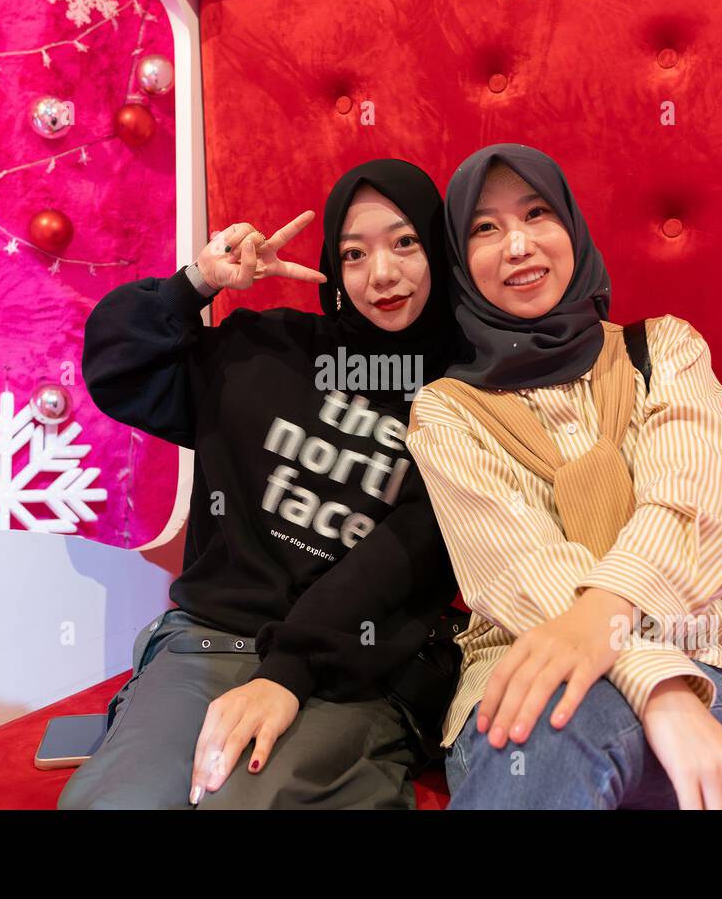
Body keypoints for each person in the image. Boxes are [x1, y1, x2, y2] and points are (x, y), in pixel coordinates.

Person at [58, 159, 462, 809]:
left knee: (248, 799)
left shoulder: (461, 395)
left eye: (405, 243)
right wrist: (196, 283)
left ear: (439, 251)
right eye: (354, 254)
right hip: (211, 642)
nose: (381, 274)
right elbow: (117, 367)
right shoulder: (261, 352)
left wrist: (290, 671)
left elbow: (417, 558)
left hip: (358, 663)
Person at [405, 143, 722, 809]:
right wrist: (659, 689)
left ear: (571, 228)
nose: (517, 245)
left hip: (705, 664)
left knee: (568, 725)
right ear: (460, 261)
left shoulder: (665, 350)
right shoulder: (443, 412)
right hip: (524, 673)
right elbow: (520, 570)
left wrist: (610, 629)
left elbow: (696, 513)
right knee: (561, 718)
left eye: (536, 213)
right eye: (485, 229)